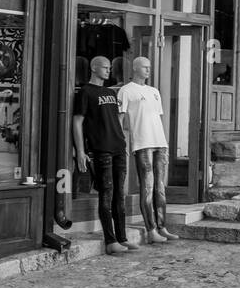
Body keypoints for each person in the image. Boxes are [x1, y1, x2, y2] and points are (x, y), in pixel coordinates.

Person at [73, 56, 138, 256]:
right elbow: (77, 122)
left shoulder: (110, 92)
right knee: (106, 193)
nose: (109, 71)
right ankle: (110, 241)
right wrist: (81, 151)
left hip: (118, 147)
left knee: (119, 195)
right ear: (94, 68)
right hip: (101, 149)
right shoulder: (85, 92)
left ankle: (122, 238)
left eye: (110, 67)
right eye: (105, 67)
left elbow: (116, 120)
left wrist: (123, 142)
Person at [118, 57, 178, 245]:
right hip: (142, 143)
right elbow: (120, 120)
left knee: (160, 187)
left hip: (160, 142)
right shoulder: (126, 91)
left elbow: (158, 118)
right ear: (135, 68)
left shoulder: (154, 91)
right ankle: (151, 229)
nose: (148, 70)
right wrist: (122, 144)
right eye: (145, 67)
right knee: (148, 187)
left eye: (150, 67)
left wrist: (165, 142)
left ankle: (162, 227)